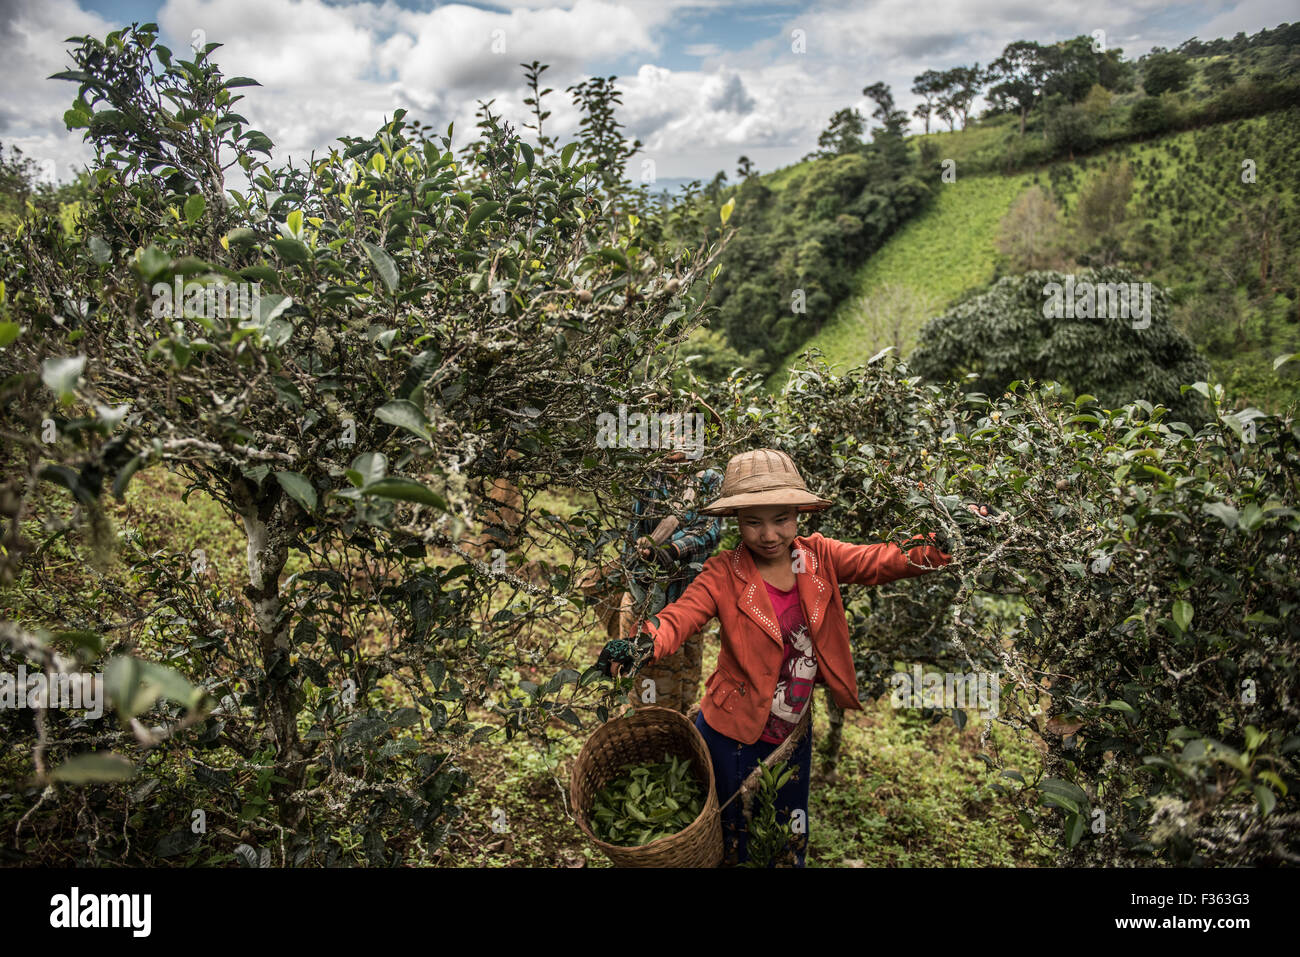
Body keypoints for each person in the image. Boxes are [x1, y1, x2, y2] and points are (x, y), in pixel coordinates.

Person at [595, 447, 989, 866]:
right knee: (734, 837)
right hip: (732, 733)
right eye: (753, 522)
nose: (769, 535)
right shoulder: (723, 572)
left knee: (787, 834)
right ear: (736, 522)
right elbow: (679, 617)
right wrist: (642, 643)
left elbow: (882, 560)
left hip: (792, 730)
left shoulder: (818, 556)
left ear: (799, 514)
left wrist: (944, 543)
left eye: (781, 519)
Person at [616, 452, 723, 714]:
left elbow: (709, 532)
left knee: (684, 680)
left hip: (688, 602)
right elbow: (634, 527)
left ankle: (674, 733)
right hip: (646, 599)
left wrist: (672, 550)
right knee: (641, 678)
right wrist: (637, 559)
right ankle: (639, 730)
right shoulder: (651, 475)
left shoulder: (710, 480)